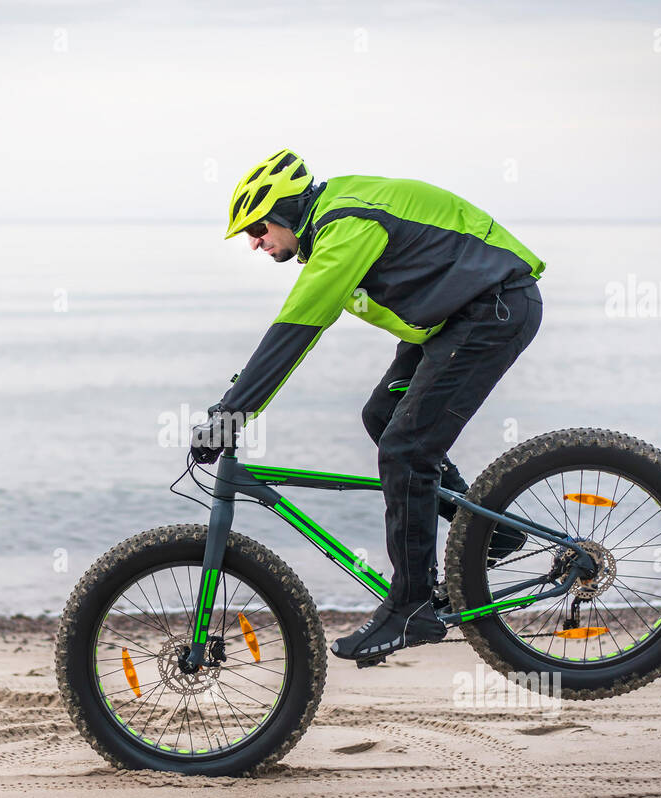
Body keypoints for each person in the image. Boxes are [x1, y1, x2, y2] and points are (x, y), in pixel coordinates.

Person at [192, 148, 544, 664]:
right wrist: (236, 407)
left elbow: (296, 330)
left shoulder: (345, 225)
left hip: (492, 309)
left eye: (259, 228)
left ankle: (411, 607)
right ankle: (494, 535)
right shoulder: (335, 222)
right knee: (382, 419)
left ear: (287, 212)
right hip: (457, 318)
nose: (256, 243)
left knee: (405, 450)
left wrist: (231, 414)